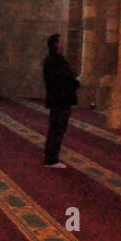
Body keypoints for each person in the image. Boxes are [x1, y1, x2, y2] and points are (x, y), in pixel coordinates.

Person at [42, 33, 79, 167]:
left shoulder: (51, 59)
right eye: (61, 42)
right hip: (61, 100)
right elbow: (65, 79)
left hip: (56, 99)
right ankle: (52, 159)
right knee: (57, 130)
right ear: (56, 44)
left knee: (55, 129)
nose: (64, 44)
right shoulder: (56, 60)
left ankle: (50, 156)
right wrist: (75, 81)